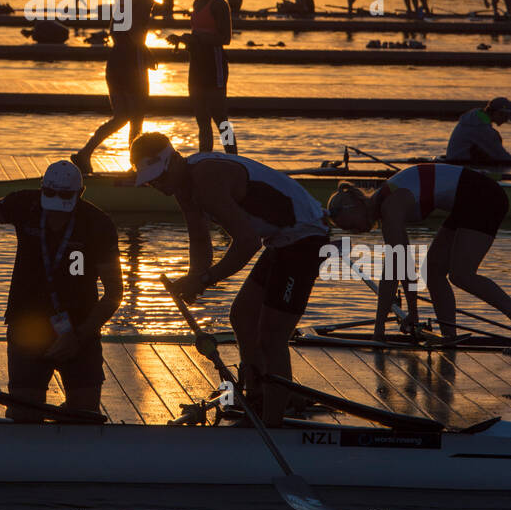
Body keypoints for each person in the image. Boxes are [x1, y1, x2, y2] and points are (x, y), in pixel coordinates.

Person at [129, 132, 330, 426]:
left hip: (307, 235)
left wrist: (206, 279)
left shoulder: (206, 180)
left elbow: (247, 242)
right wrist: (194, 278)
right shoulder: (182, 185)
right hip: (280, 238)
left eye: (158, 177)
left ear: (173, 160)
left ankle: (271, 421)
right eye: (150, 180)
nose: (157, 185)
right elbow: (199, 239)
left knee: (272, 336)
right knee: (242, 316)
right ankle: (258, 393)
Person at [0, 160, 123, 420]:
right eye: (49, 195)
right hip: (27, 323)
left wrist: (80, 336)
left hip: (79, 327)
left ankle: (67, 426)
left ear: (80, 194)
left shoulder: (98, 224)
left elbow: (114, 292)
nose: (55, 209)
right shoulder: (24, 204)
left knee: (84, 416)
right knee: (24, 416)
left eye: (64, 197)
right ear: (41, 189)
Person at [327, 163, 511, 341]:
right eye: (349, 230)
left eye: (351, 225)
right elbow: (404, 266)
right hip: (464, 202)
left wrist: (379, 328)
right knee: (432, 271)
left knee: (462, 275)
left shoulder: (391, 206)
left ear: (358, 205)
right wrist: (413, 313)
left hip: (484, 196)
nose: (355, 231)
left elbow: (392, 273)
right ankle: (449, 336)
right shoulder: (386, 206)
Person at [71, 0, 167, 174]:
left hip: (116, 61)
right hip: (132, 63)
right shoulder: (144, 1)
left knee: (122, 116)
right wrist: (145, 53)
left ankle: (85, 153)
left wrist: (143, 50)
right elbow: (135, 34)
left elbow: (116, 30)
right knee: (137, 116)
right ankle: (135, 167)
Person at [169, 0, 236, 153]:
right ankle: (204, 157)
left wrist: (196, 37)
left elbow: (225, 38)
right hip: (196, 64)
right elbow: (197, 36)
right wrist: (183, 40)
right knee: (201, 118)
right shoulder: (197, 4)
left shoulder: (219, 5)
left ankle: (234, 157)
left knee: (220, 117)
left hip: (214, 65)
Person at [446, 98, 511, 164]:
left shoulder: (476, 117)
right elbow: (501, 155)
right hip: (460, 166)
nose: (506, 120)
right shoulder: (481, 128)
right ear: (497, 113)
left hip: (456, 160)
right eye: (506, 116)